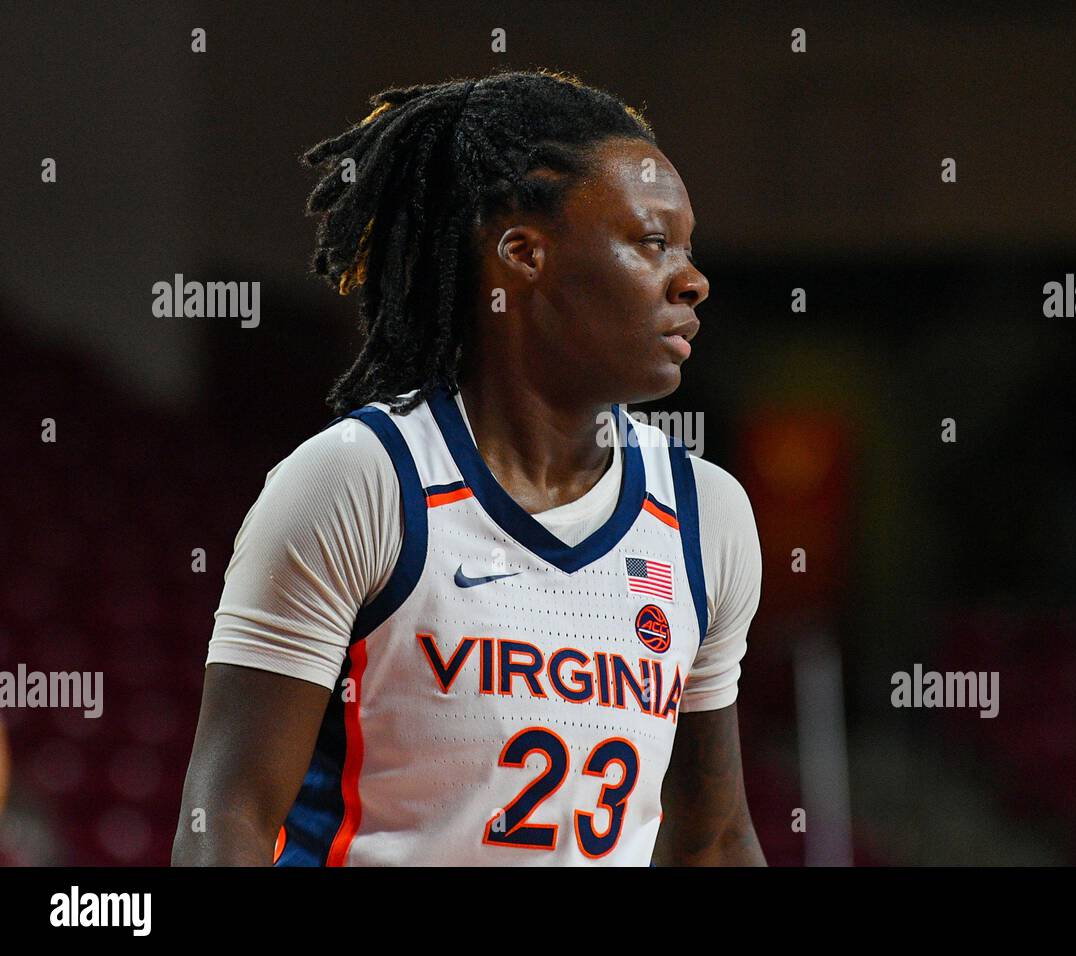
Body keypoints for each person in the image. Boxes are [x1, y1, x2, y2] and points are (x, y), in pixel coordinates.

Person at [172, 69, 764, 866]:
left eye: (687, 248)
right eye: (653, 243)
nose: (691, 280)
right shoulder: (357, 481)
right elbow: (228, 821)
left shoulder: (707, 513)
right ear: (524, 253)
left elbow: (716, 838)